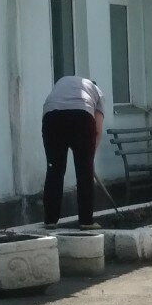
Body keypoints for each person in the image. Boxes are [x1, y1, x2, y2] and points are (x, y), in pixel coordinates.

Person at [41, 76, 105, 229]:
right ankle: (86, 221)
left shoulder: (61, 83)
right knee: (84, 172)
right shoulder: (97, 93)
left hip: (52, 118)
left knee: (54, 170)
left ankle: (50, 220)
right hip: (81, 118)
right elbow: (98, 129)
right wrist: (89, 157)